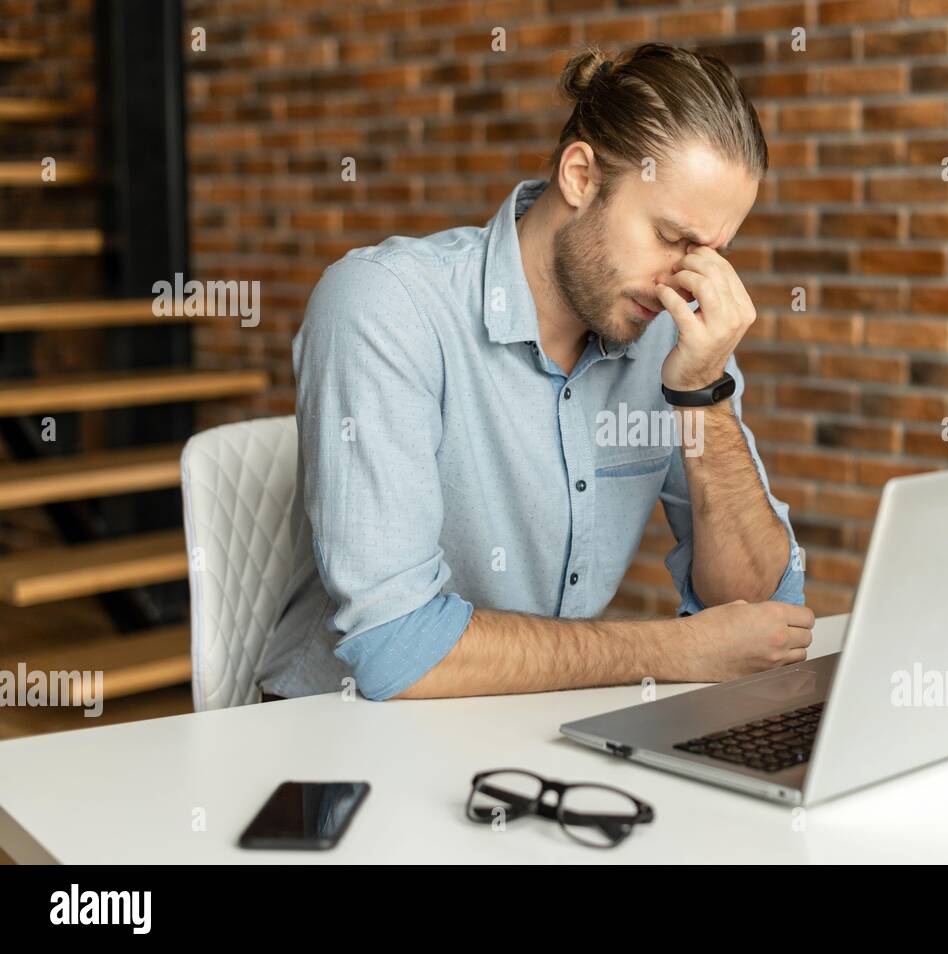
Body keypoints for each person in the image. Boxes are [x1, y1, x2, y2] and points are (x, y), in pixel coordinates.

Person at [257, 42, 812, 702]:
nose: (689, 280)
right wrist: (681, 650)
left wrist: (704, 398)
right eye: (672, 237)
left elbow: (758, 613)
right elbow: (395, 647)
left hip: (531, 736)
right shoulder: (384, 305)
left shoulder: (677, 336)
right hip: (339, 751)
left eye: (713, 253)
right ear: (580, 175)